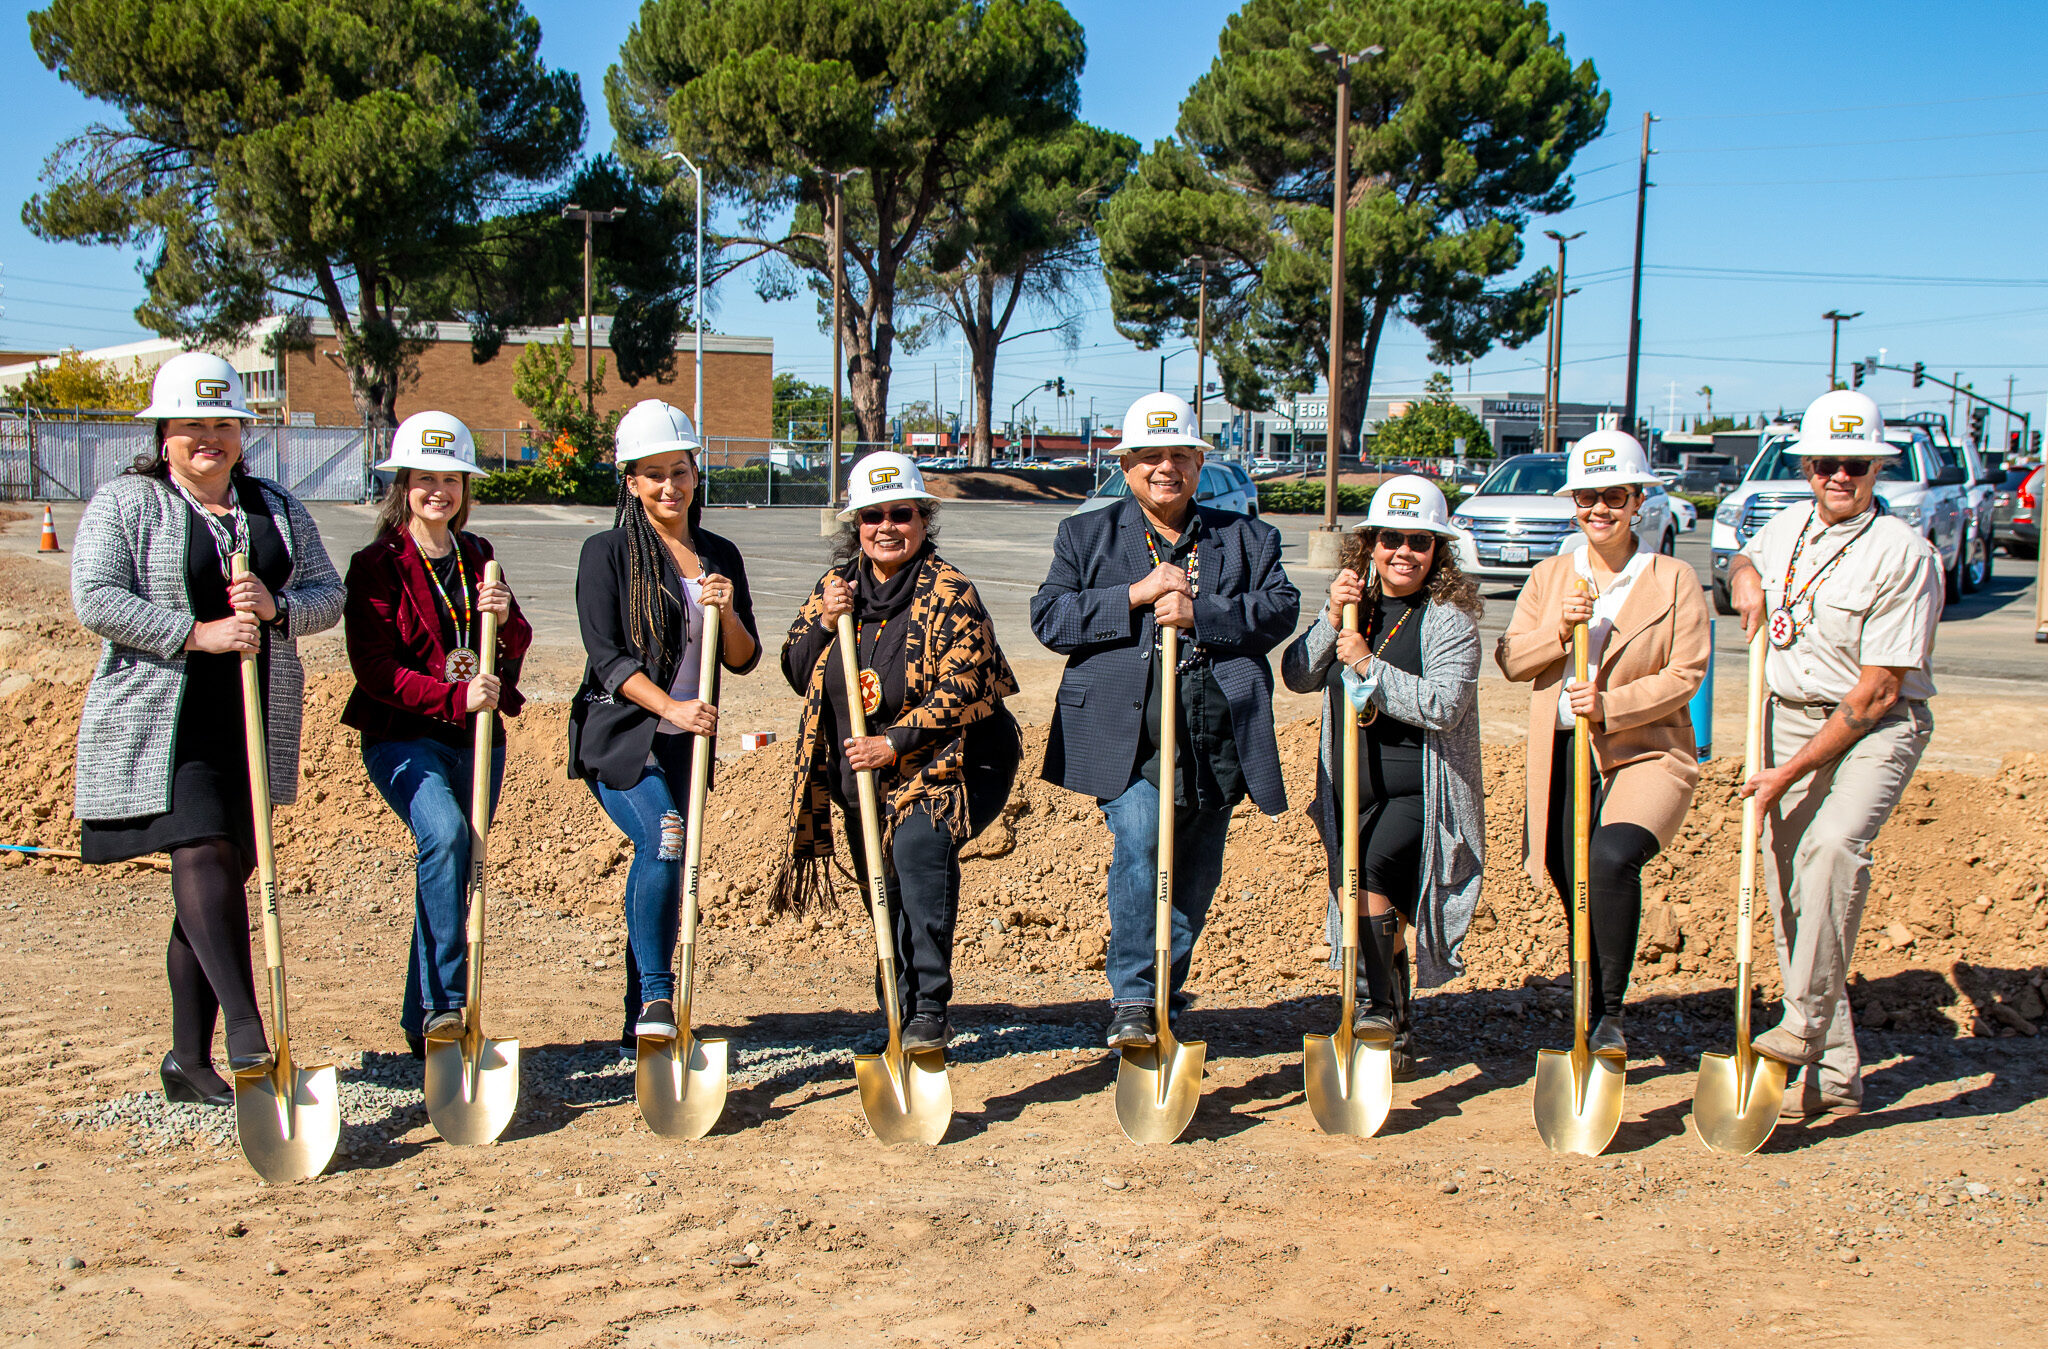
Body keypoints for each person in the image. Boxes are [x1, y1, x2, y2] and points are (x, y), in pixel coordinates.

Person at [69, 352, 345, 1107]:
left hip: (252, 719)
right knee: (202, 851)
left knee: (220, 882)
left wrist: (277, 609)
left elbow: (328, 593)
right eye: (193, 424)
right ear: (163, 434)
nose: (209, 438)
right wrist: (199, 633)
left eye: (223, 424)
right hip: (166, 721)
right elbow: (94, 596)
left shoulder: (275, 506)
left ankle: (185, 1061)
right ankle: (250, 1033)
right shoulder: (128, 501)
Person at [1032, 391, 1299, 1049]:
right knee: (1146, 838)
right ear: (1125, 466)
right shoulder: (1086, 535)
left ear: (1199, 462)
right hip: (1128, 741)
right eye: (1150, 456)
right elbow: (1050, 619)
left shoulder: (1248, 538)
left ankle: (1161, 994)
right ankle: (1130, 996)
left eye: (1179, 454)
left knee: (1196, 877)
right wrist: (1134, 595)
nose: (1165, 467)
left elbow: (1281, 609)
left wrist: (1202, 613)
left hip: (1216, 738)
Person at [1727, 389, 1941, 1118]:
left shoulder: (1904, 555)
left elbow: (1878, 691)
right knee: (1794, 892)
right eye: (1825, 462)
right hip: (1786, 718)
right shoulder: (1787, 525)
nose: (1838, 475)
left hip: (1873, 728)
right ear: (1808, 465)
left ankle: (1802, 1029)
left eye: (1854, 463)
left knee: (1832, 851)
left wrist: (1785, 773)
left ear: (1875, 467)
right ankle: (1836, 1077)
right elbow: (1743, 560)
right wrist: (1745, 576)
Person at [772, 452, 1021, 1051]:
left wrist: (893, 742)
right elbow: (795, 668)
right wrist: (823, 622)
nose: (887, 527)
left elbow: (963, 686)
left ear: (923, 518)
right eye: (872, 516)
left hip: (954, 758)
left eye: (901, 514)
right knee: (877, 879)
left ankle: (929, 1007)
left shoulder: (951, 591)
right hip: (860, 767)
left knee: (917, 851)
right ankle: (897, 999)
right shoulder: (835, 591)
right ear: (855, 525)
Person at [1496, 430, 1712, 1059]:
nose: (1600, 510)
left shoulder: (1674, 580)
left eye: (1614, 496)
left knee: (1611, 859)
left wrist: (1611, 705)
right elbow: (1512, 659)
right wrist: (1560, 630)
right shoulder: (1550, 576)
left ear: (1638, 499)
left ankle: (1610, 1016)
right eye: (1587, 497)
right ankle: (1587, 1000)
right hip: (1563, 756)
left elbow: (1687, 672)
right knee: (1572, 880)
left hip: (1646, 753)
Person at [569, 400, 761, 1055]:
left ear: (695, 471)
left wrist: (726, 610)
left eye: (679, 470)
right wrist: (671, 708)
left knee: (669, 862)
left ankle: (639, 1022)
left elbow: (742, 656)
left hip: (689, 741)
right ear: (631, 481)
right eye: (653, 474)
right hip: (622, 733)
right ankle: (658, 991)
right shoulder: (607, 553)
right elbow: (608, 656)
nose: (669, 486)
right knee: (666, 834)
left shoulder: (720, 553)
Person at [343, 412, 533, 1059]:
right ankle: (447, 1003)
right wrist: (455, 693)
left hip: (476, 739)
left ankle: (420, 1021)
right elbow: (374, 671)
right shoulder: (375, 565)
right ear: (404, 484)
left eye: (449, 480)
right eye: (425, 479)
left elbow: (514, 645)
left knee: (450, 867)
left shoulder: (480, 556)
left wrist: (504, 622)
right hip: (403, 737)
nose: (438, 493)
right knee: (446, 835)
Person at [1281, 476, 1484, 1080]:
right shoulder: (1354, 610)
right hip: (1348, 788)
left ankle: (1374, 1007)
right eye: (1390, 538)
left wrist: (1367, 663)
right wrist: (1329, 613)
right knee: (1367, 905)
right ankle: (1393, 1015)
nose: (1404, 553)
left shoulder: (1450, 622)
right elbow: (1296, 674)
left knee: (1365, 875)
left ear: (1437, 552)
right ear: (1369, 544)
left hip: (1420, 791)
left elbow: (1444, 705)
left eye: (1419, 542)